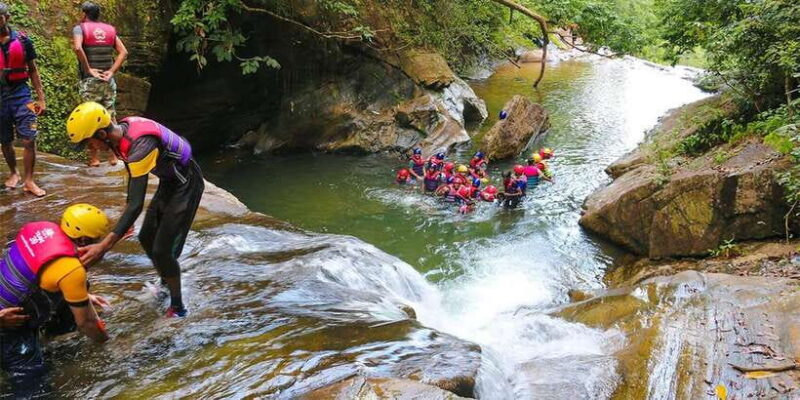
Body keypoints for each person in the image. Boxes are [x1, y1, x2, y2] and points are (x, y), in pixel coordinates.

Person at [66, 102, 205, 317]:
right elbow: (133, 181)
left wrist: (104, 246)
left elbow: (136, 204)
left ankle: (178, 307)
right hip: (170, 182)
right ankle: (166, 282)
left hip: (186, 184)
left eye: (89, 142)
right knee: (146, 237)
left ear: (102, 134)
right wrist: (127, 219)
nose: (89, 148)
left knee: (162, 251)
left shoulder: (141, 145)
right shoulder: (119, 137)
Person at [0, 204, 111, 397]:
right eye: (97, 240)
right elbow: (86, 323)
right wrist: (106, 343)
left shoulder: (41, 228)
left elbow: (31, 271)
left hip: (6, 304)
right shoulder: (71, 269)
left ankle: (49, 340)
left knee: (83, 290)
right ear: (85, 239)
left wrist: (84, 295)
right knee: (34, 384)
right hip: (8, 325)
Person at [73, 1, 128, 167]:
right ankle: (114, 156)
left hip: (90, 82)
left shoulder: (80, 28)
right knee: (110, 115)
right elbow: (123, 52)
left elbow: (77, 47)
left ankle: (94, 158)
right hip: (107, 80)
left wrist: (88, 69)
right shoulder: (110, 30)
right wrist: (111, 71)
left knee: (89, 119)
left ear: (84, 14)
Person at [0, 2, 46, 196]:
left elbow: (33, 70)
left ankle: (29, 180)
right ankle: (14, 174)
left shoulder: (23, 40)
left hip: (21, 94)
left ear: (7, 18)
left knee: (29, 139)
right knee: (5, 140)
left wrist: (41, 98)